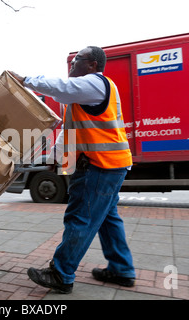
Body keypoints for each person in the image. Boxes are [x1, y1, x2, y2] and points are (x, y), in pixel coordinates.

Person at [10, 46, 136, 294]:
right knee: (107, 220)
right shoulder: (80, 97)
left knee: (81, 218)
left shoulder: (95, 84)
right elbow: (68, 133)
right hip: (110, 165)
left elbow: (61, 88)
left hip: (100, 166)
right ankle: (121, 270)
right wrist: (54, 158)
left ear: (92, 65)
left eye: (78, 60)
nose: (72, 64)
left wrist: (26, 81)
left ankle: (61, 273)